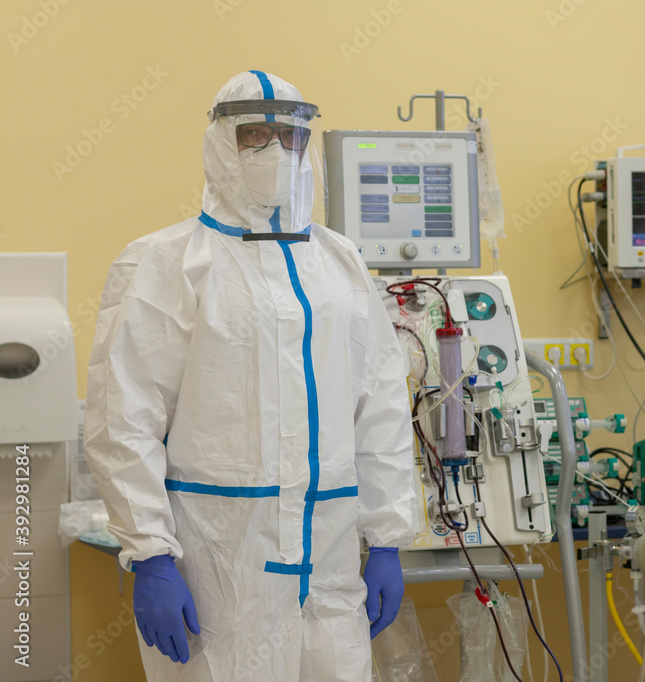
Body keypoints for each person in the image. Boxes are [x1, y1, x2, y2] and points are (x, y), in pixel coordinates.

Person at [84, 70, 416, 681]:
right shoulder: (165, 263)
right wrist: (150, 555)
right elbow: (122, 419)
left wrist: (388, 538)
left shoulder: (340, 262)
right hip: (219, 569)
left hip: (329, 567)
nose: (275, 151)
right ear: (221, 143)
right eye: (254, 135)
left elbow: (381, 406)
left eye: (290, 136)